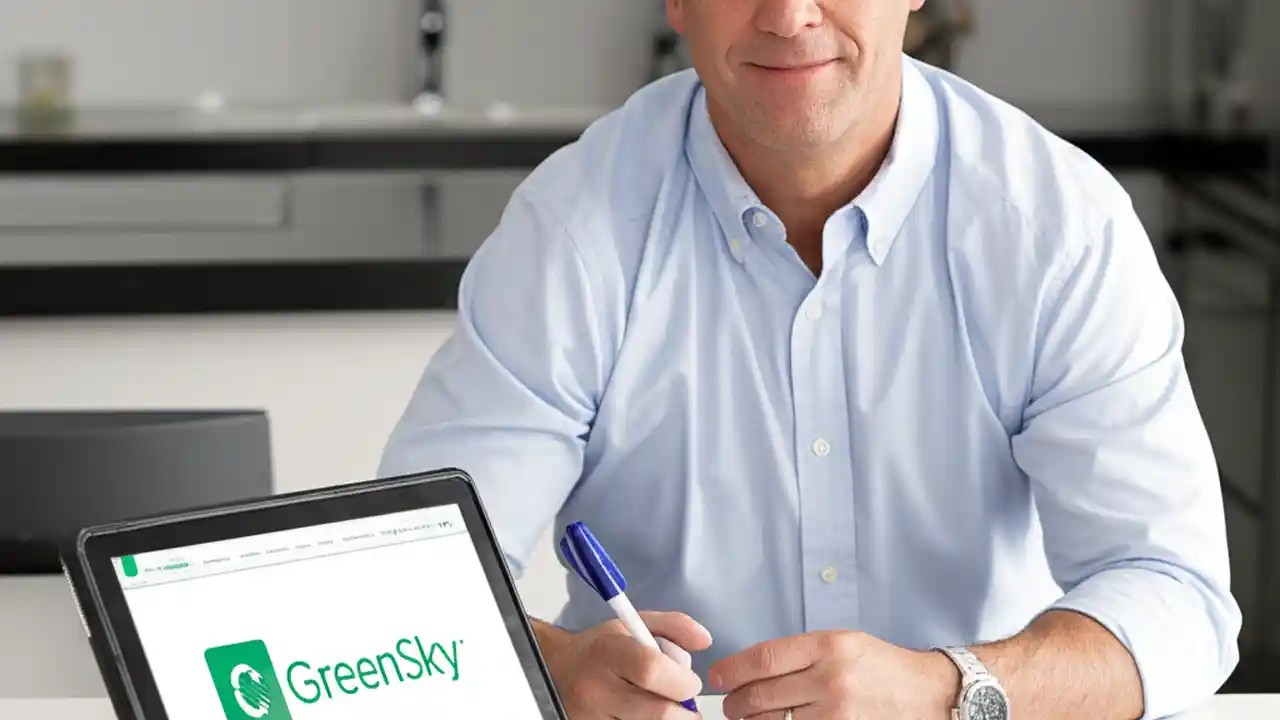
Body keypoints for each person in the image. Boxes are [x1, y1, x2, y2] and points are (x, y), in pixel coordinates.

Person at [380, 1, 1241, 718]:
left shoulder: (1057, 226)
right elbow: (402, 578)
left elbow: (1176, 595)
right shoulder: (571, 232)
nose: (789, 17)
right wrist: (558, 668)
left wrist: (950, 690)